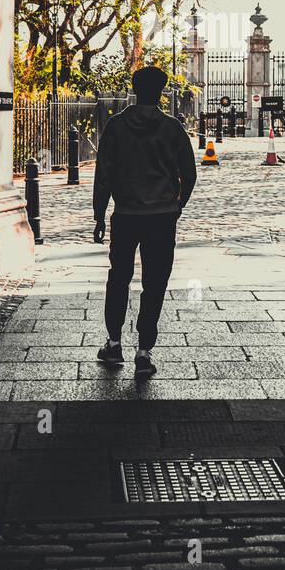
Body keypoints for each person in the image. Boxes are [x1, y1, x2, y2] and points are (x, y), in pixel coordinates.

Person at [92, 66, 197, 378]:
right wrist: (177, 205)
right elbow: (189, 175)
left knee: (119, 279)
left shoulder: (115, 127)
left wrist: (99, 215)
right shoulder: (172, 129)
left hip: (125, 216)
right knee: (155, 284)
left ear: (135, 89)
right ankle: (144, 351)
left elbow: (103, 175)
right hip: (162, 218)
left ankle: (113, 343)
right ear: (161, 91)